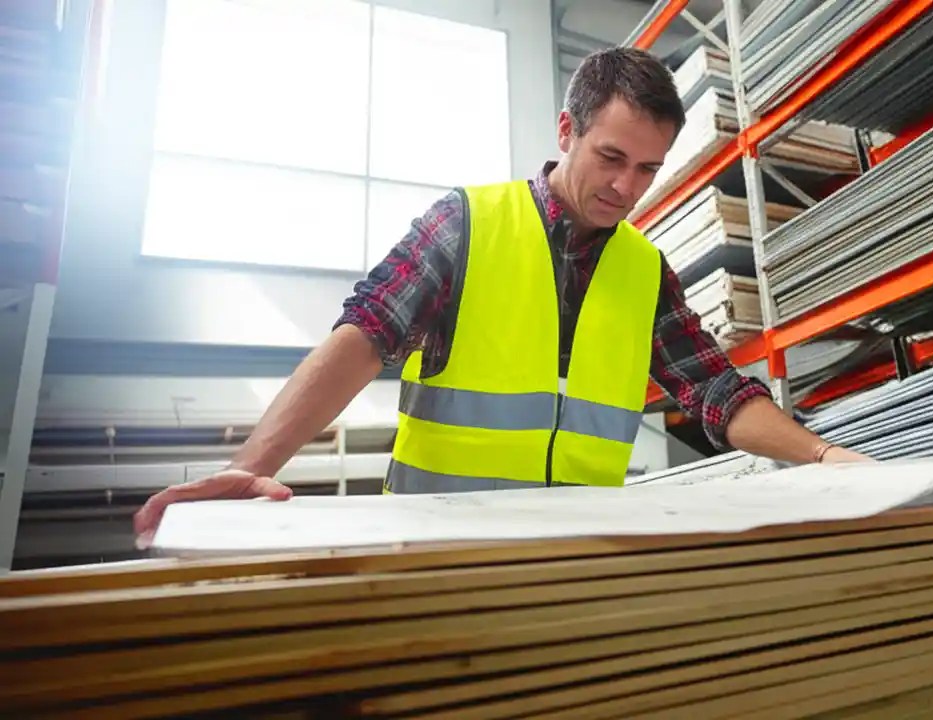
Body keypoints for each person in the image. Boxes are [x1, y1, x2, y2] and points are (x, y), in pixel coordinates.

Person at [132, 47, 871, 547]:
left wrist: (824, 454)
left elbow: (715, 391)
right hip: (433, 547)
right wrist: (257, 464)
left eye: (647, 169)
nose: (627, 187)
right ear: (566, 131)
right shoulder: (469, 223)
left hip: (568, 557)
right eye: (611, 158)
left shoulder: (644, 269)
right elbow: (365, 335)